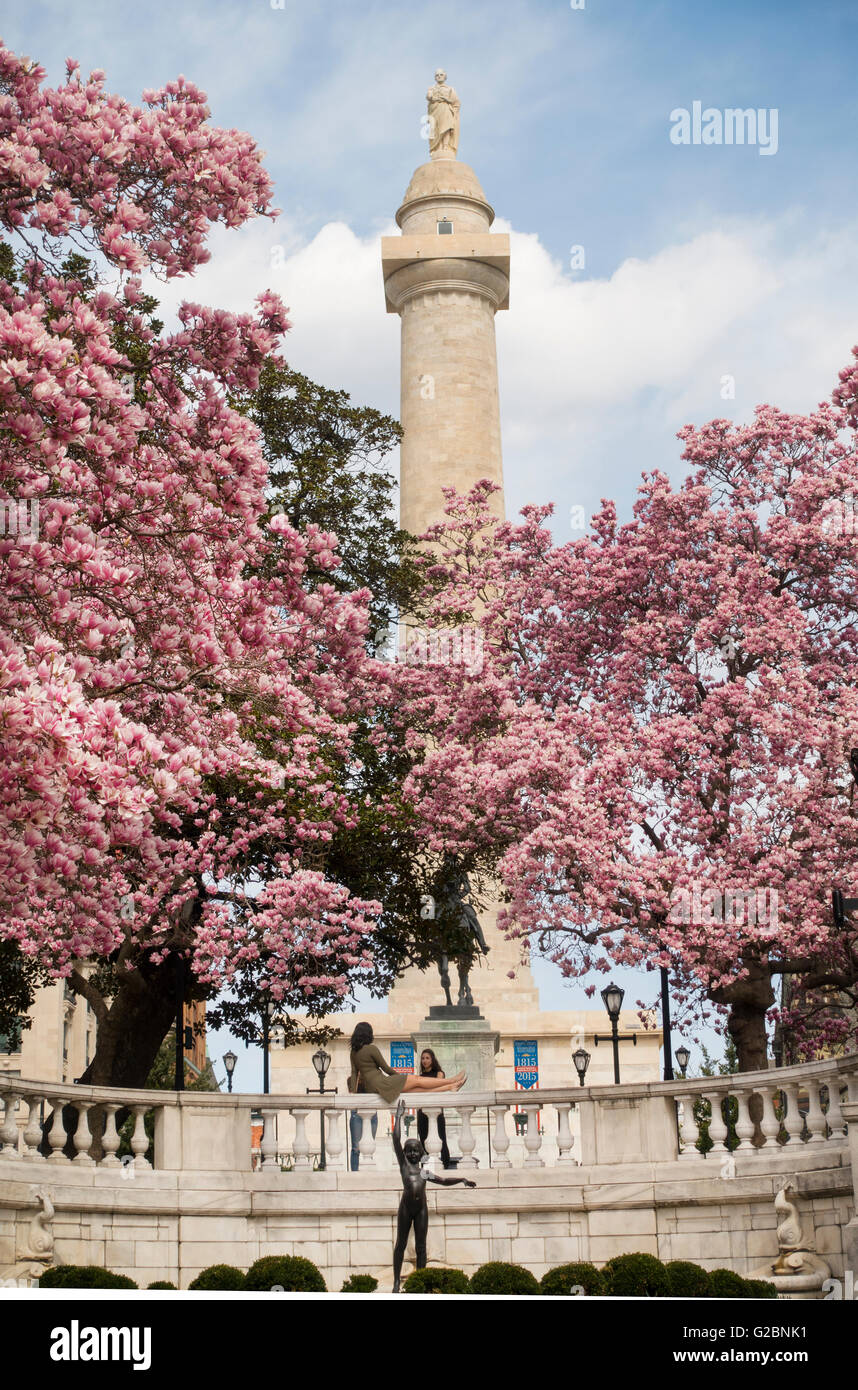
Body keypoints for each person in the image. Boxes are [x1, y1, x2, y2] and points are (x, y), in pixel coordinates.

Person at [392, 1099, 475, 1292]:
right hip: (406, 1208)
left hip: (421, 1209)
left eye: (416, 1150)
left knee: (421, 1246)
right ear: (404, 1154)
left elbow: (443, 1181)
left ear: (421, 1153)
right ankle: (396, 1282)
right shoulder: (404, 1166)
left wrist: (461, 1179)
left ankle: (420, 1281)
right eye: (409, 1151)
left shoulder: (424, 1171)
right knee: (401, 1244)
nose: (412, 1153)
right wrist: (398, 1116)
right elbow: (396, 1140)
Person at [348, 1023, 466, 1102]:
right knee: (417, 1080)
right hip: (381, 1083)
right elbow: (386, 1068)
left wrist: (352, 1092)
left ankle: (451, 1087)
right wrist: (402, 1078)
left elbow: (354, 1073)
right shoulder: (371, 1048)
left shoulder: (353, 1052)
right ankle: (452, 1080)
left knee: (418, 1090)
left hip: (371, 1087)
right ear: (368, 1034)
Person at [416, 1048, 451, 1168]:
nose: (424, 1060)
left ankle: (445, 1166)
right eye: (423, 1058)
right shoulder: (419, 1077)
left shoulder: (439, 1074)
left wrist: (424, 1090)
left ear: (432, 1059)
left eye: (427, 1058)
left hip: (436, 1112)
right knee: (423, 1141)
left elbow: (436, 1089)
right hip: (422, 1112)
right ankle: (425, 1170)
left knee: (442, 1140)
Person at [348, 1071, 377, 1171]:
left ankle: (369, 1170)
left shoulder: (373, 1079)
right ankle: (355, 1172)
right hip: (356, 1113)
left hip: (372, 1114)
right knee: (356, 1148)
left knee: (369, 1146)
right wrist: (358, 1076)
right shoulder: (352, 1080)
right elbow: (352, 1092)